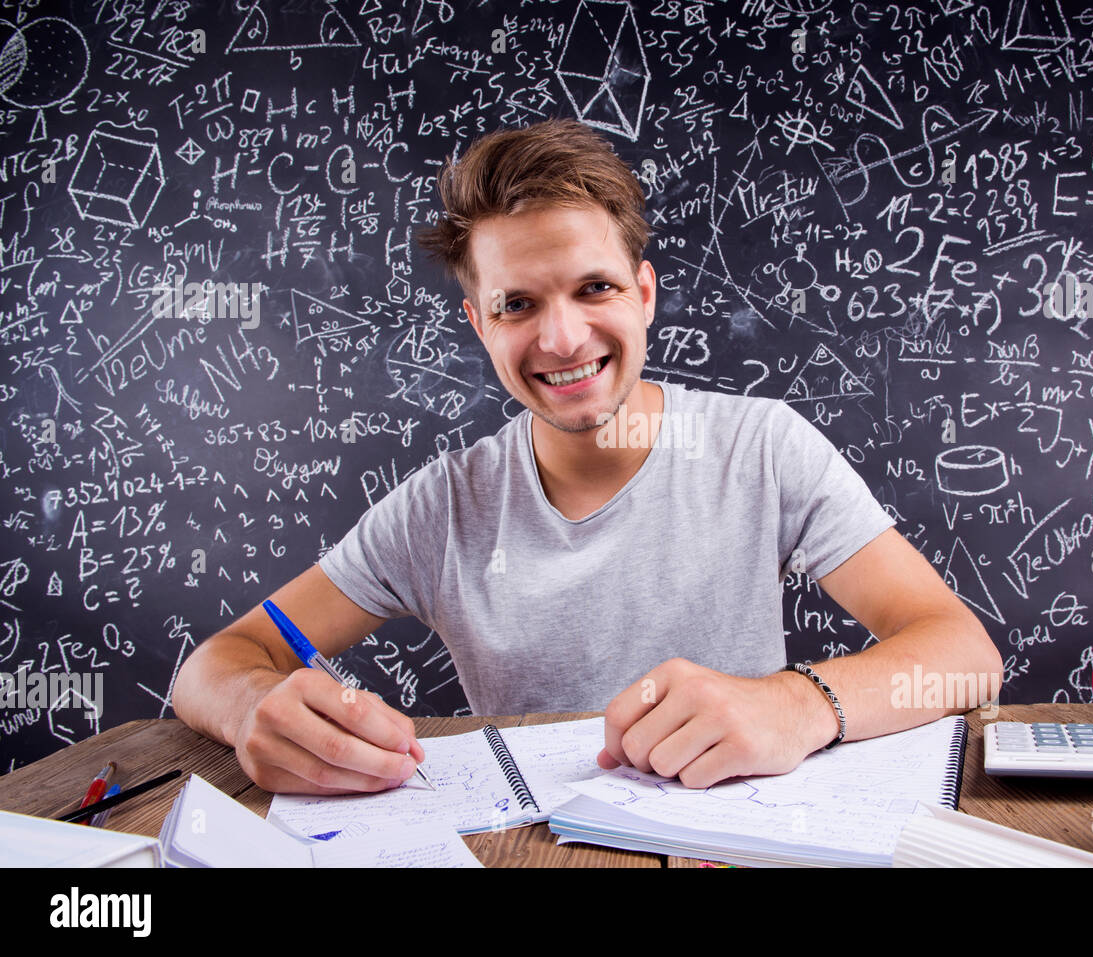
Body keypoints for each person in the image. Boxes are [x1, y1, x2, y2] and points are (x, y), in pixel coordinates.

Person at [173, 118, 1003, 796]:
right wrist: (254, 707)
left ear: (644, 294)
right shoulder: (442, 508)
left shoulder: (762, 448)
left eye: (593, 288)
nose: (562, 337)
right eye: (518, 304)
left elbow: (962, 653)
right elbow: (217, 663)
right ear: (480, 326)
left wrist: (799, 704)